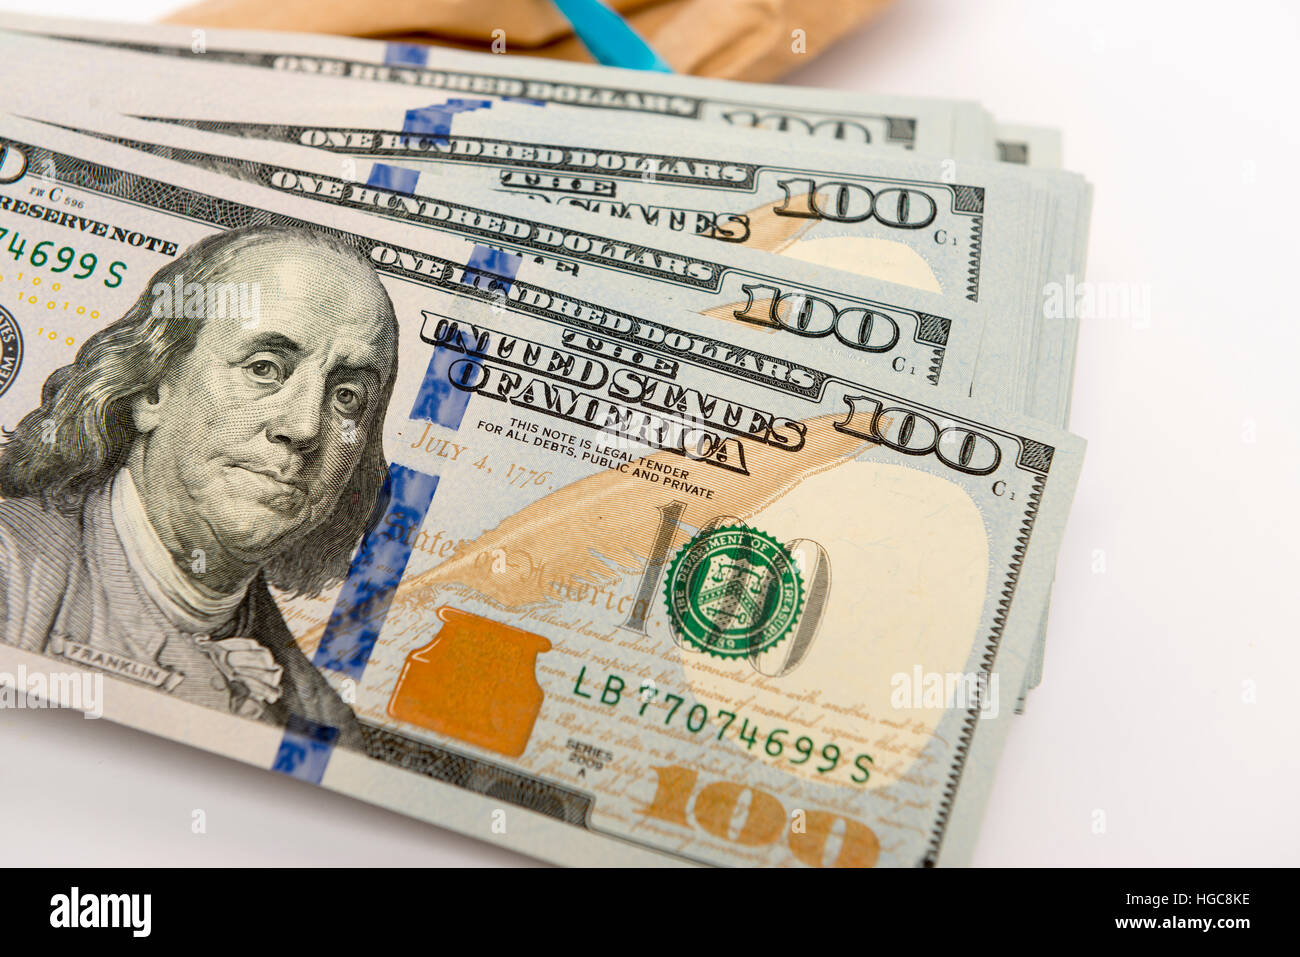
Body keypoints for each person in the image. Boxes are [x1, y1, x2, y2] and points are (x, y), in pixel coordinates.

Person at [0, 224, 400, 749]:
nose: (304, 426)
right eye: (264, 368)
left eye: (347, 397)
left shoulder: (324, 726)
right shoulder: (11, 568)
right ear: (152, 389)